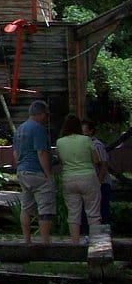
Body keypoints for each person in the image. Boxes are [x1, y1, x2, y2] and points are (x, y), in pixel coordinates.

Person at [56, 113, 102, 244]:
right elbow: (96, 159)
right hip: (88, 177)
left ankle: (75, 243)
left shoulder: (60, 142)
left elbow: (60, 160)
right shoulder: (86, 140)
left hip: (69, 178)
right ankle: (96, 244)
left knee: (73, 214)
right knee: (93, 213)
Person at [13, 100, 54, 244]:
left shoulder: (20, 129)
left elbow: (16, 153)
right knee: (45, 208)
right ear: (41, 114)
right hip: (36, 171)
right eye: (47, 115)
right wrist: (48, 174)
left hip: (22, 170)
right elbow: (41, 152)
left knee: (26, 207)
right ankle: (45, 242)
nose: (47, 118)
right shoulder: (38, 129)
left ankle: (26, 240)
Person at [80, 119, 110, 233]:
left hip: (101, 182)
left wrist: (99, 181)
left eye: (84, 131)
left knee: (102, 209)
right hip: (89, 182)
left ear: (91, 131)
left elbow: (104, 164)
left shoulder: (97, 145)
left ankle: (104, 234)